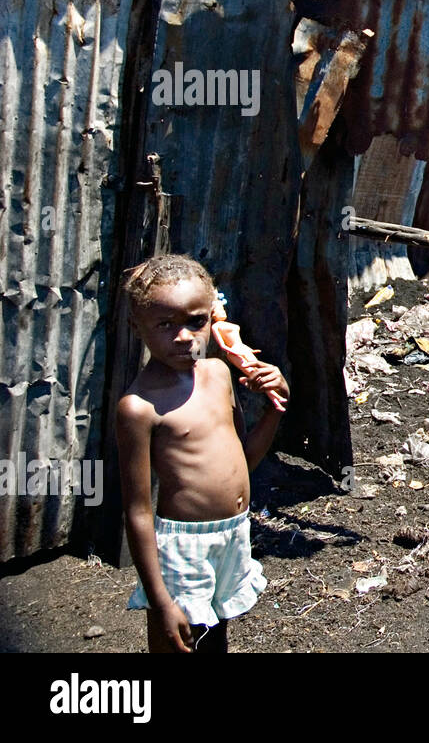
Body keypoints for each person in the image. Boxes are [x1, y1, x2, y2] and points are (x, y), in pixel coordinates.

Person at [116, 254, 289, 653]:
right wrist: (160, 600)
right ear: (136, 327)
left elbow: (241, 461)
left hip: (233, 536)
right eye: (165, 324)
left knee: (216, 639)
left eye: (196, 321)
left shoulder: (219, 374)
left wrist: (277, 404)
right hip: (183, 549)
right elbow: (138, 511)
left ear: (213, 317)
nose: (184, 336)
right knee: (177, 642)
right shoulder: (139, 407)